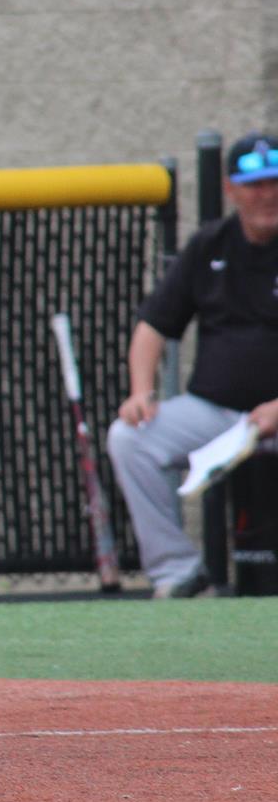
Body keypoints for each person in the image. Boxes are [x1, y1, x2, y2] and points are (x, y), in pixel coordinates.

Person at [107, 131, 278, 599]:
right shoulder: (210, 245)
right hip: (219, 413)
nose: (267, 194)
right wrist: (140, 392)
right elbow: (151, 327)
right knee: (130, 438)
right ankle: (177, 572)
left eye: (275, 182)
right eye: (255, 184)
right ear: (231, 190)